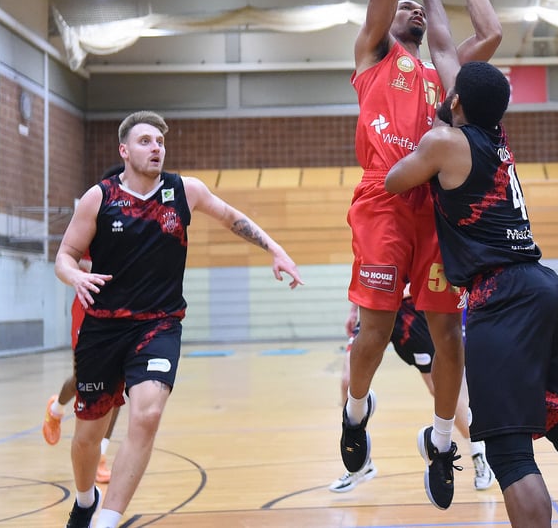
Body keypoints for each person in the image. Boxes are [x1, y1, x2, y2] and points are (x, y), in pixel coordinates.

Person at [383, 61, 558, 528]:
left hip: (500, 294)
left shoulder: (445, 141)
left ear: (457, 101)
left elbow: (394, 180)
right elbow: (452, 60)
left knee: (508, 454)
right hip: (542, 284)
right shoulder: (497, 138)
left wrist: (426, 126)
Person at [54, 110, 303, 528]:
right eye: (146, 141)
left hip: (159, 324)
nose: (156, 148)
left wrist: (275, 249)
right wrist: (74, 274)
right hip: (103, 327)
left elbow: (231, 217)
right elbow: (64, 255)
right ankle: (85, 500)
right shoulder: (100, 197)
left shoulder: (184, 191)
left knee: (147, 414)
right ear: (124, 150)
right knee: (86, 440)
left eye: (160, 142)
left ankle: (106, 520)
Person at [341, 0, 501, 511]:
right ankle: (357, 412)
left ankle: (440, 440)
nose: (410, 7)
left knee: (445, 331)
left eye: (417, 6)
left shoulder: (444, 72)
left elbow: (490, 33)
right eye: (405, 7)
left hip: (437, 203)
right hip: (383, 198)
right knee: (375, 332)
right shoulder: (371, 57)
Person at [331, 288, 494, 493]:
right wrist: (353, 310)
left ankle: (479, 453)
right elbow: (365, 265)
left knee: (441, 389)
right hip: (377, 305)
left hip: (409, 309)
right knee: (348, 380)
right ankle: (360, 462)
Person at [43, 167, 124, 485]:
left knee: (118, 385)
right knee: (85, 380)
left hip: (123, 314)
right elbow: (67, 259)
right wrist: (81, 272)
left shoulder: (142, 221)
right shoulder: (94, 216)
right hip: (89, 313)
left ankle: (102, 453)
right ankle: (57, 406)